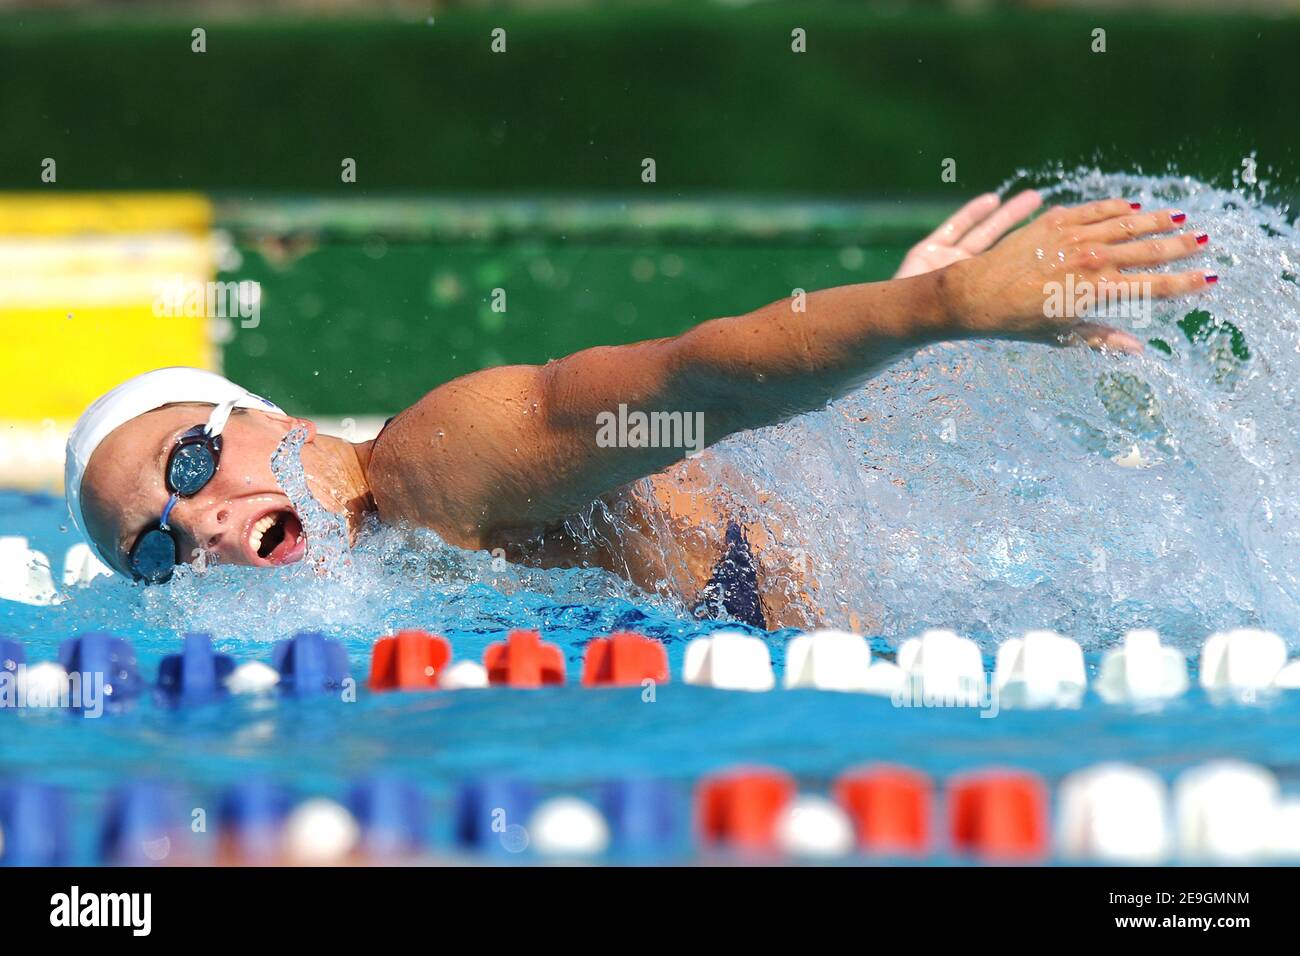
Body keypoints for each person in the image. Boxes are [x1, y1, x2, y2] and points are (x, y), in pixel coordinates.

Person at [64, 192, 1213, 630]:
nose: (201, 523)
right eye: (155, 548)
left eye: (189, 463)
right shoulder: (383, 589)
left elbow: (687, 381)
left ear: (265, 415)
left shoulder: (430, 467)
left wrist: (941, 304)